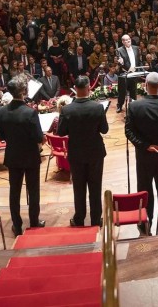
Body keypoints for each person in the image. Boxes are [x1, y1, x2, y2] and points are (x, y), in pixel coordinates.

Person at [0, 76, 45, 235]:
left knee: (14, 192)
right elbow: (38, 137)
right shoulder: (30, 112)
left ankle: (17, 225)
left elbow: (1, 136)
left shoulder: (1, 112)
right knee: (33, 190)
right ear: (24, 91)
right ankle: (34, 221)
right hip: (30, 156)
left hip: (13, 155)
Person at [124, 72, 158, 234]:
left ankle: (145, 224)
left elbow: (128, 131)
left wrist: (145, 146)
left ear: (145, 84)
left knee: (145, 189)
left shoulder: (134, 106)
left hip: (143, 155)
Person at [57, 75, 108, 227]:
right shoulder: (97, 107)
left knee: (78, 188)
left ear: (75, 89)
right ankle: (95, 219)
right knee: (95, 187)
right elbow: (104, 130)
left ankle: (79, 218)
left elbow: (61, 132)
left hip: (76, 154)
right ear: (88, 88)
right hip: (95, 153)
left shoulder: (67, 109)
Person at [116, 34, 143, 113]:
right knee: (122, 91)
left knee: (133, 90)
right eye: (126, 40)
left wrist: (140, 70)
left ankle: (133, 106)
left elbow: (139, 60)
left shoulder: (136, 48)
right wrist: (120, 62)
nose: (128, 41)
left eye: (129, 39)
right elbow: (119, 60)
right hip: (124, 74)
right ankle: (120, 105)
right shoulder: (119, 50)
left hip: (134, 73)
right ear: (122, 42)